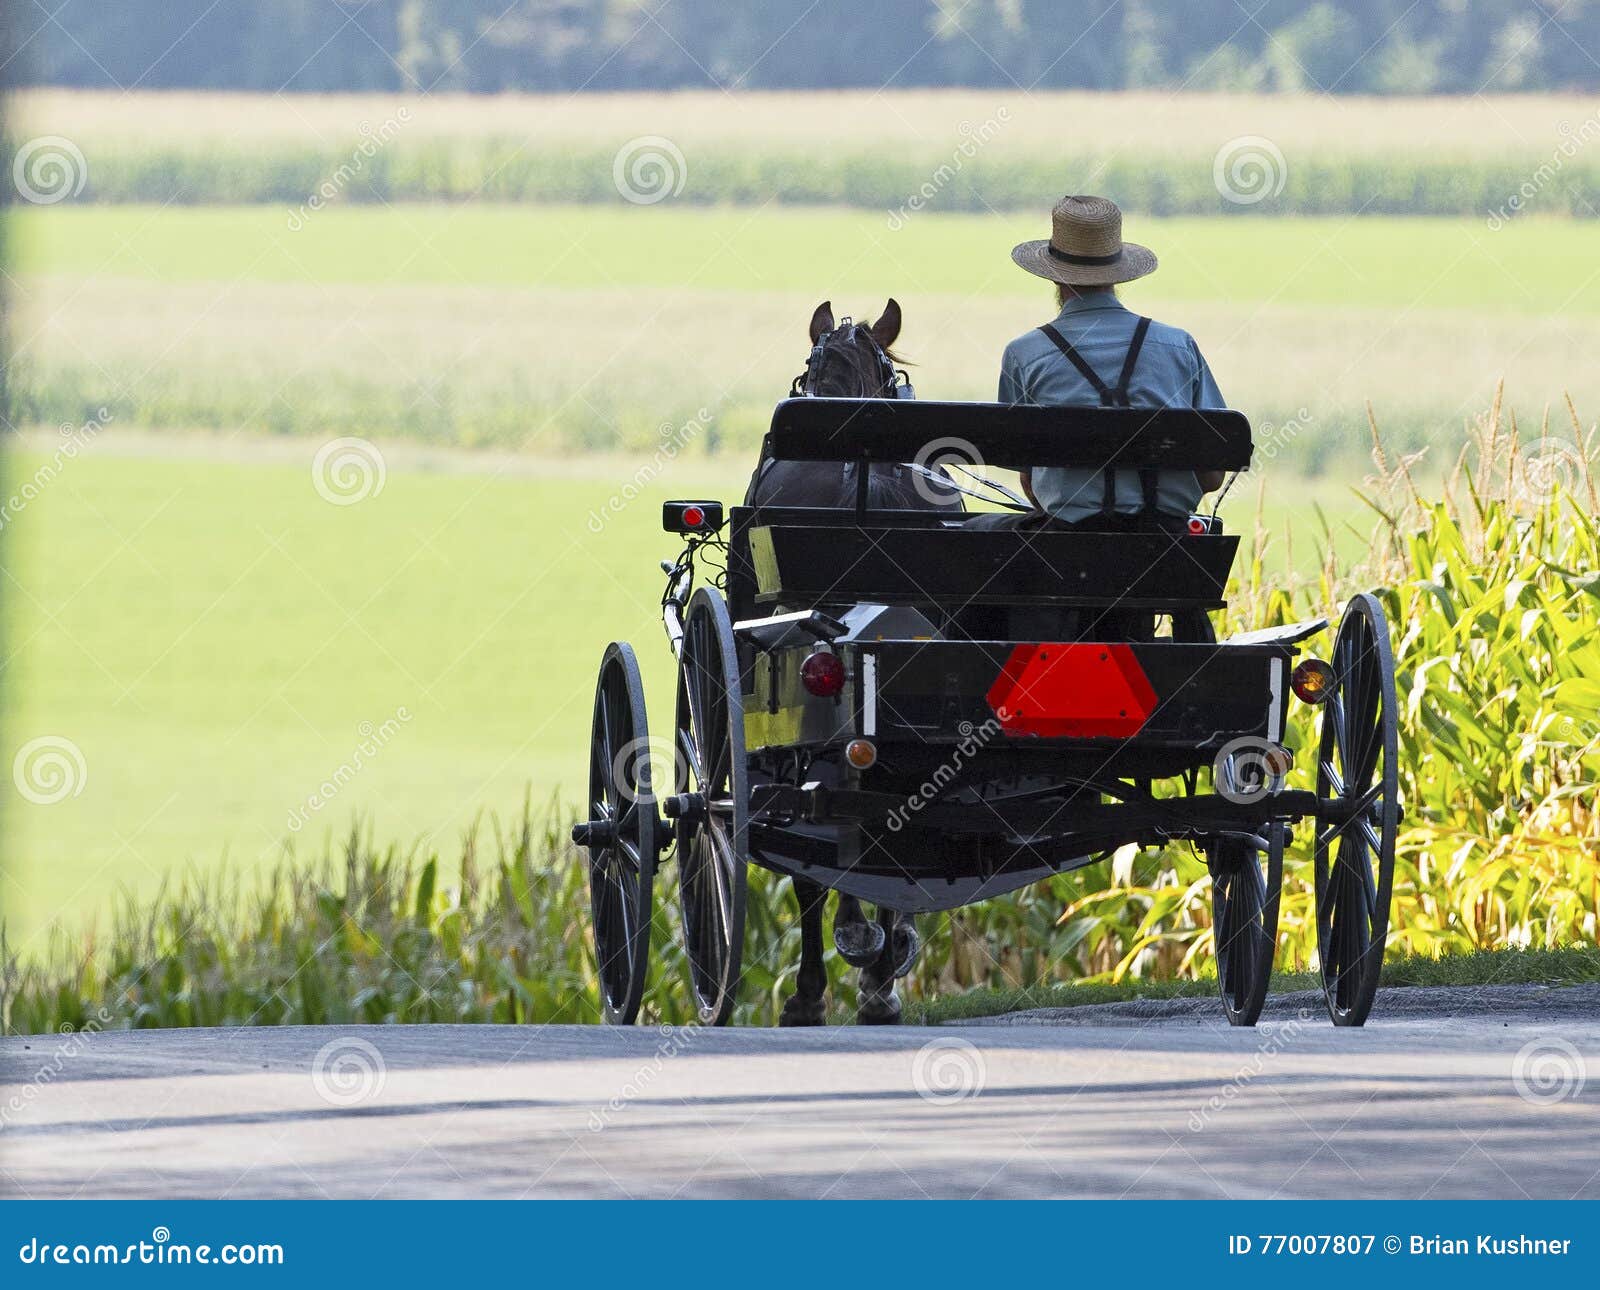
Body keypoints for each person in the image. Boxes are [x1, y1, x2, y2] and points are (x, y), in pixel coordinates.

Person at [984, 194, 1227, 532]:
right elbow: (1212, 475)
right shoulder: (1178, 346)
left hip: (1067, 545)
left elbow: (1028, 476)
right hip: (1168, 544)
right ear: (1118, 273)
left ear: (1054, 276)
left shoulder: (1024, 354)